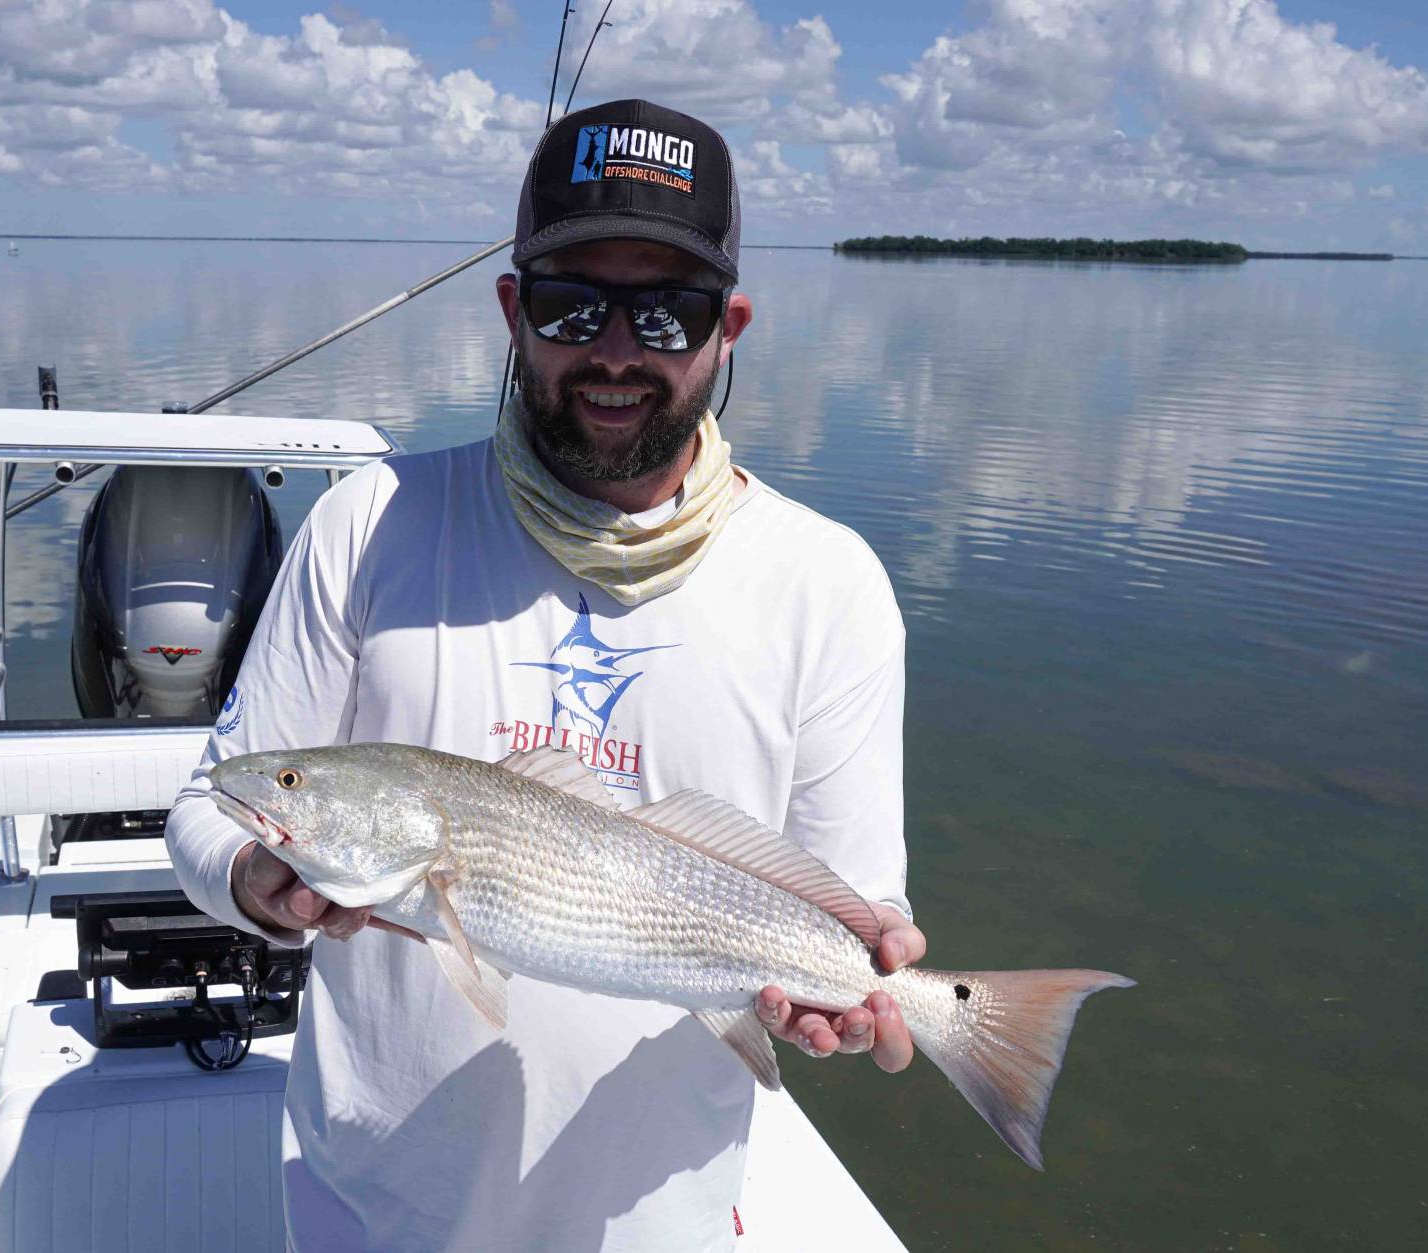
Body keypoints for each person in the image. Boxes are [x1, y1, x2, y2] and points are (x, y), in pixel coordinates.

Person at [167, 97, 923, 1252]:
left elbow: (858, 900)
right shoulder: (367, 520)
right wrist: (257, 880)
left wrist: (865, 980)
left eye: (666, 315)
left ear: (730, 325)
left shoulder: (829, 582)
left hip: (659, 1220)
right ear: (514, 312)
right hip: (369, 1204)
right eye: (575, 305)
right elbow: (208, 803)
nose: (616, 353)